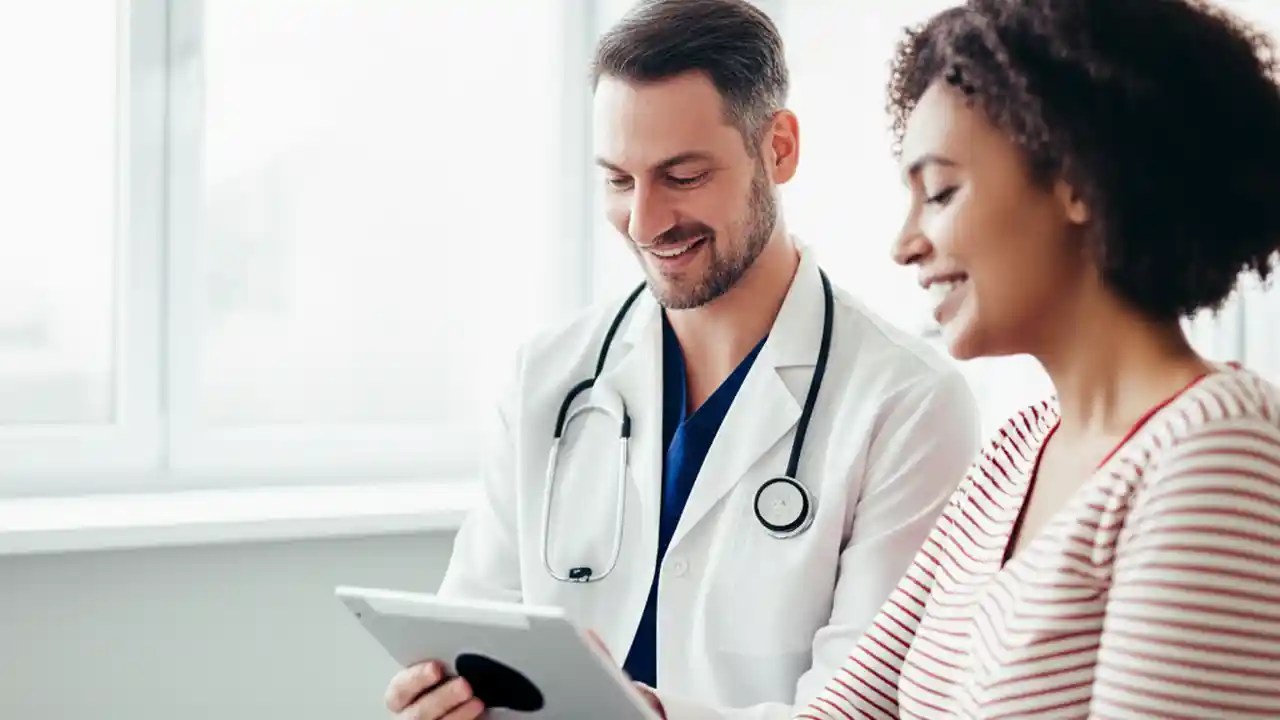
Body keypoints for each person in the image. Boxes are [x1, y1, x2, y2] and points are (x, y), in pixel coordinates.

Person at [383, 1, 980, 719]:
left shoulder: (909, 403)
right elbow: (476, 637)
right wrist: (442, 703)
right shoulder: (546, 379)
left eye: (683, 176)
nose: (644, 222)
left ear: (779, 148)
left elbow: (863, 710)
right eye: (617, 180)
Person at [798, 1, 1280, 718]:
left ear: (1078, 180)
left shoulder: (1216, 453)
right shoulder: (1017, 450)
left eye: (940, 193)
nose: (905, 244)